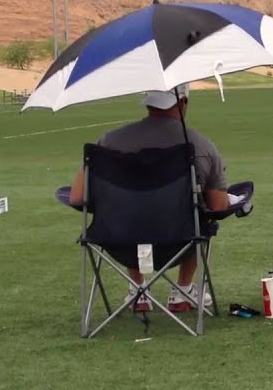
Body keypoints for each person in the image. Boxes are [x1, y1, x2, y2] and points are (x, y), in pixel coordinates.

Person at [69, 83, 229, 311]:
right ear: (183, 103)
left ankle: (138, 292)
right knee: (200, 214)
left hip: (119, 242)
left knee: (130, 209)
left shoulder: (108, 142)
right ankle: (183, 290)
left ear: (148, 103)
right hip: (181, 240)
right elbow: (219, 206)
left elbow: (76, 197)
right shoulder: (202, 146)